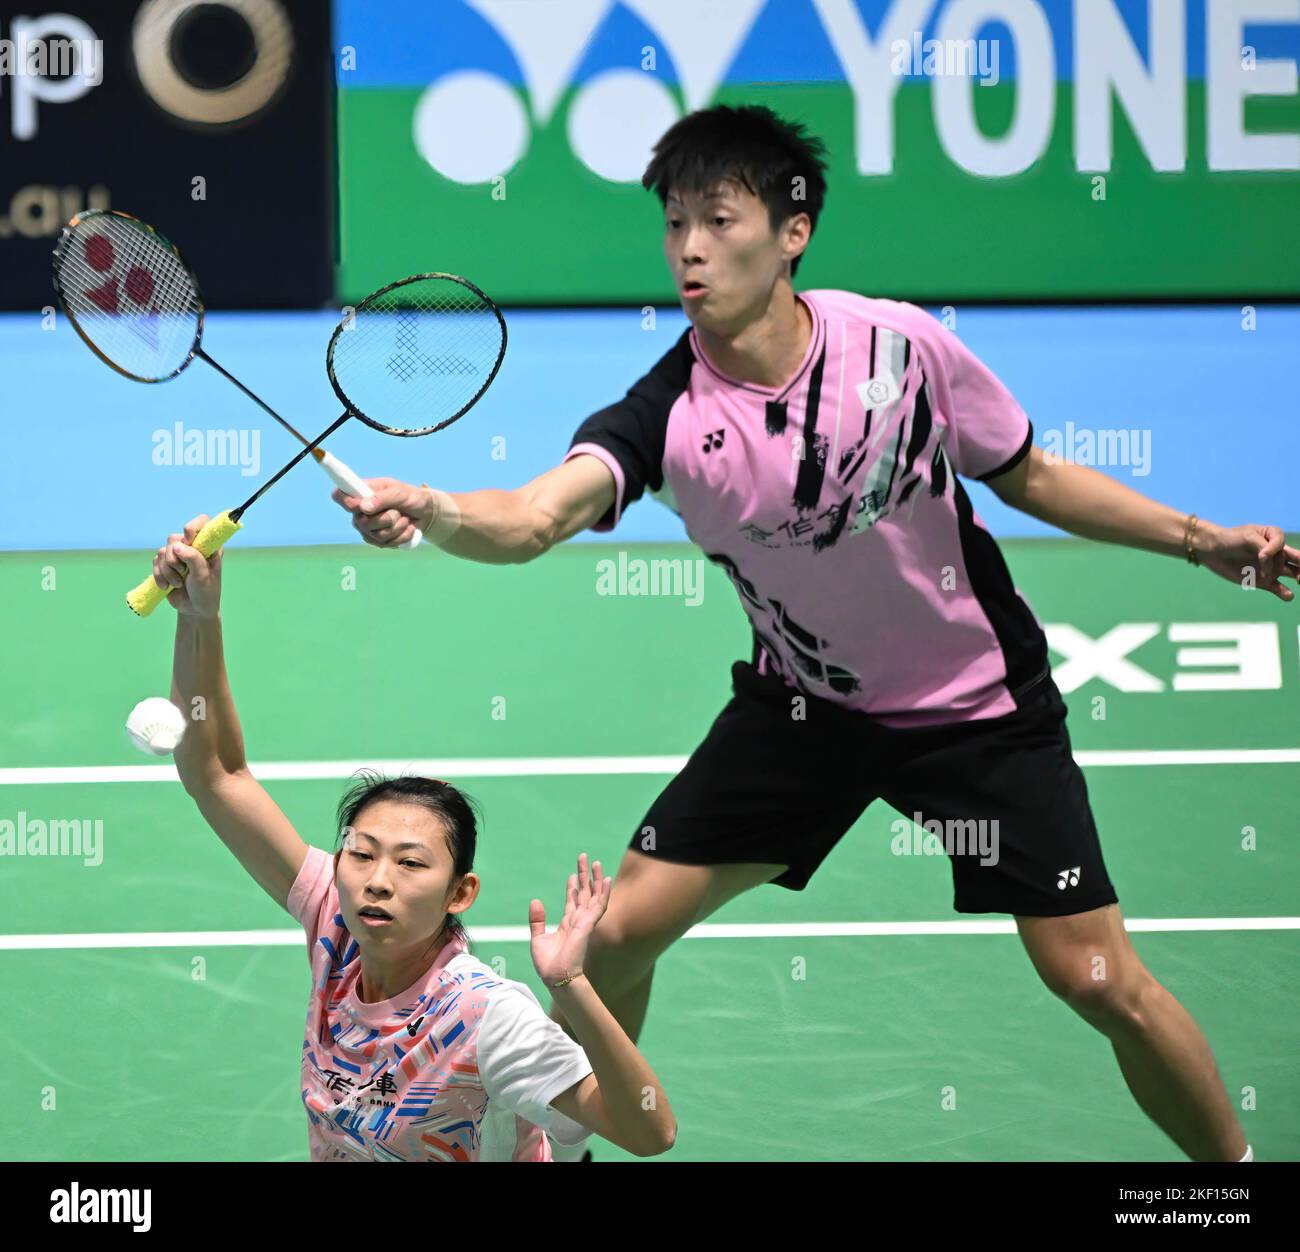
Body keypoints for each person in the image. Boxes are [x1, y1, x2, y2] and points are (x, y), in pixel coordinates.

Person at [332, 104, 1298, 1162]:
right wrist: (431, 506)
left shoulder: (899, 345)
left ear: (792, 231)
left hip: (974, 704)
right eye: (672, 224)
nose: (689, 249)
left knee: (1096, 978)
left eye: (717, 219)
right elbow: (531, 517)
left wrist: (1199, 538)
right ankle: (564, 1148)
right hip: (806, 708)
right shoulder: (665, 414)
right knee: (606, 945)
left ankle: (1232, 1178)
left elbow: (1031, 472)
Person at [152, 516, 676, 1162]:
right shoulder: (333, 922)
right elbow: (216, 774)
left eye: (410, 863)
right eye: (363, 853)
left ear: (462, 893)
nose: (377, 879)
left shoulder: (488, 1020)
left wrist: (571, 988)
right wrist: (200, 615)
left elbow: (653, 1133)